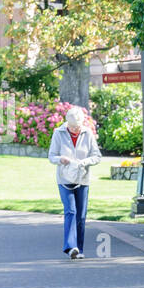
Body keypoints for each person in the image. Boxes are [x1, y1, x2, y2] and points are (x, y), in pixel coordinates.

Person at [47, 105, 101, 258]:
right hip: (64, 179)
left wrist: (84, 162)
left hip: (82, 179)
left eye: (77, 127)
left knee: (81, 215)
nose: (75, 130)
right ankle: (71, 247)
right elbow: (51, 156)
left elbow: (97, 156)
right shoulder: (59, 133)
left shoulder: (88, 133)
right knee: (70, 211)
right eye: (72, 127)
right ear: (67, 124)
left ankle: (79, 250)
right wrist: (60, 159)